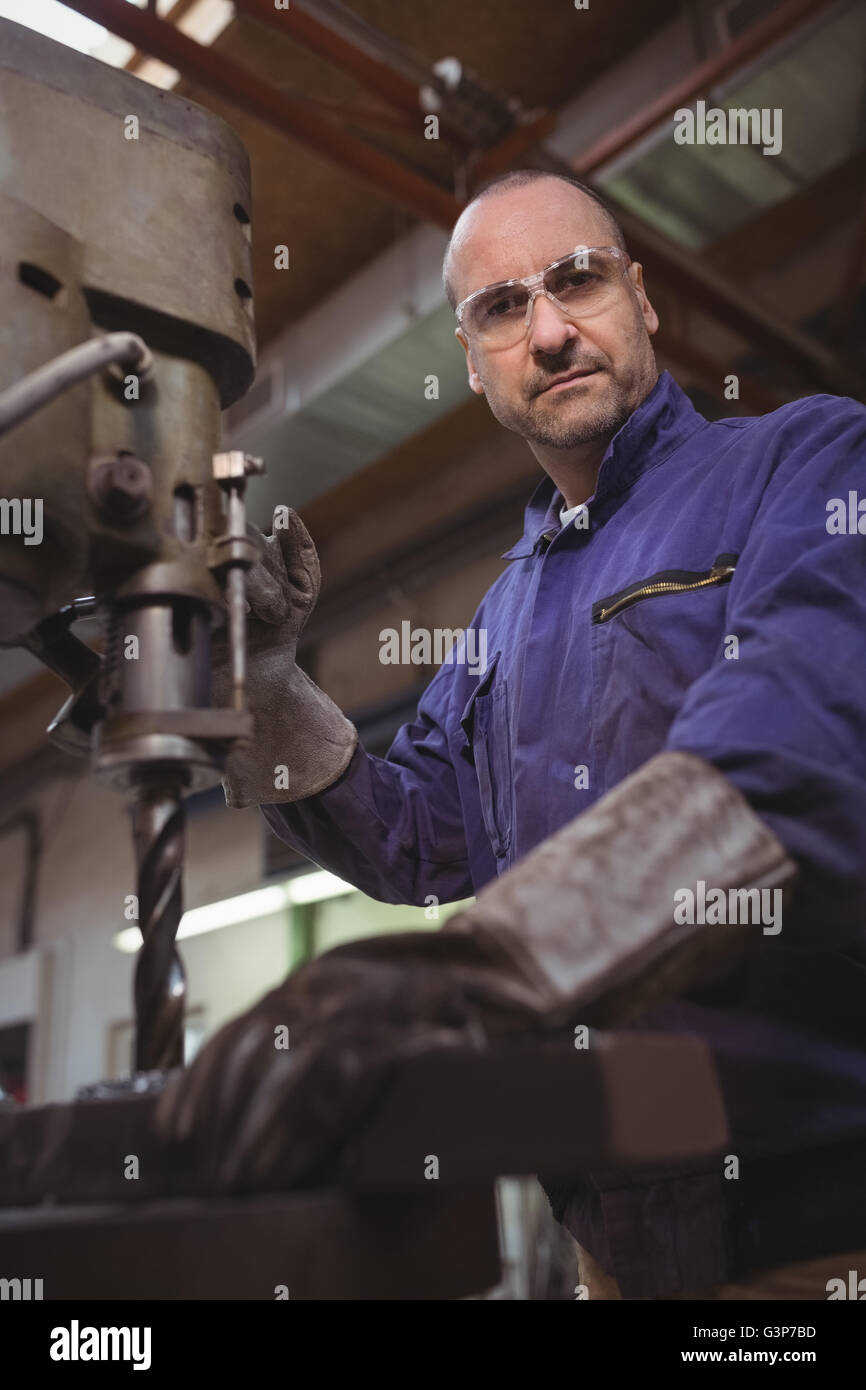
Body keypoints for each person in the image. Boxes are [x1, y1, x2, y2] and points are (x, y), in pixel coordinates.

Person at [157, 170, 866, 1300]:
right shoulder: (503, 615)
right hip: (607, 1245)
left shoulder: (805, 462)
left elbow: (795, 745)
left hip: (808, 1232)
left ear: (639, 297)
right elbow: (414, 838)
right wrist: (270, 694)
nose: (546, 330)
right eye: (499, 309)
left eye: (575, 280)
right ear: (472, 356)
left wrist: (488, 970)